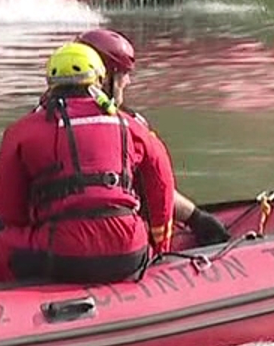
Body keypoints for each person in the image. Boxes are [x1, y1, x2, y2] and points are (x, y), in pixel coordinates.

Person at [0, 41, 177, 284]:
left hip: (61, 252)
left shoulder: (21, 131)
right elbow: (162, 185)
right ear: (99, 81)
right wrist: (160, 246)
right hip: (129, 251)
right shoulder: (132, 125)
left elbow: (6, 207)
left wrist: (37, 227)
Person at [75, 28, 233, 246]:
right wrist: (196, 219)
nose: (128, 81)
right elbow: (158, 188)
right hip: (119, 245)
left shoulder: (35, 124)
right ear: (105, 78)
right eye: (123, 73)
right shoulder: (132, 127)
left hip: (50, 247)